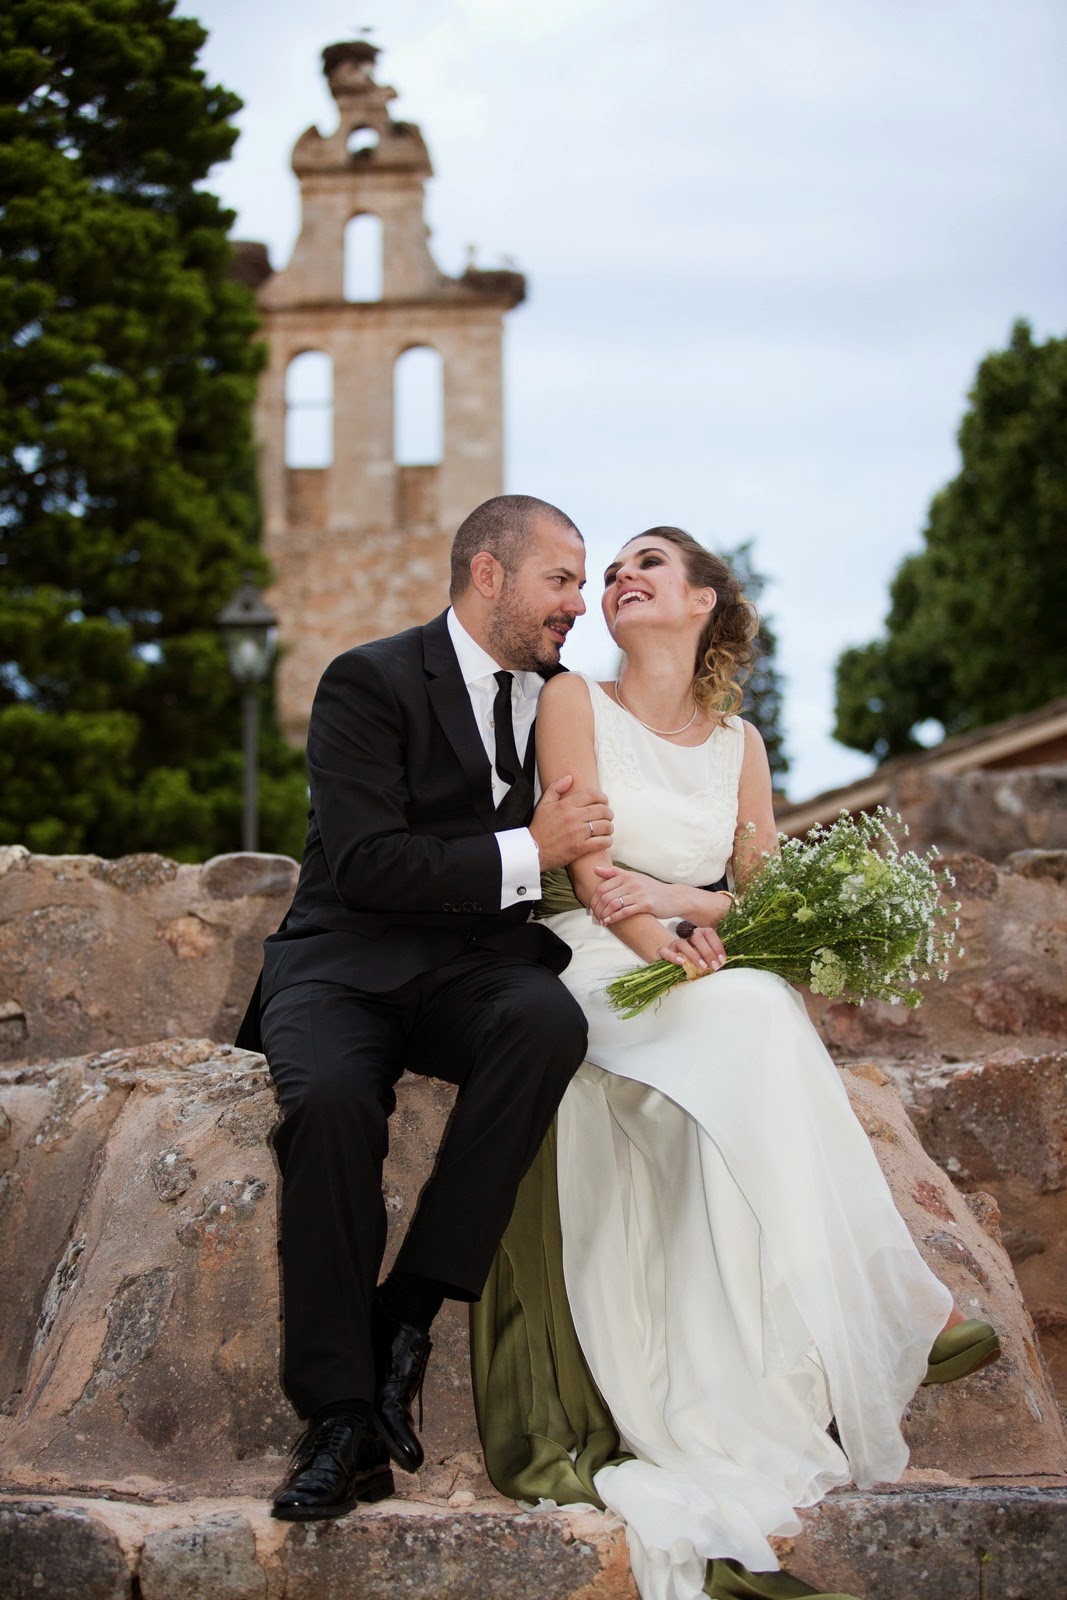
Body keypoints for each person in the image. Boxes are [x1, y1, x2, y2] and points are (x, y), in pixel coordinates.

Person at [470, 527, 1000, 1600]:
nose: (619, 578)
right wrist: (653, 931)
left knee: (756, 998)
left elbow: (757, 898)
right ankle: (906, 1302)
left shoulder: (739, 744)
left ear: (706, 601)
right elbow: (585, 861)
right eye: (609, 569)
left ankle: (829, 1343)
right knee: (757, 1010)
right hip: (582, 957)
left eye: (646, 563)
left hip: (680, 955)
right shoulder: (576, 700)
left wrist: (682, 912)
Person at [239, 494, 616, 1521]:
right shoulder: (367, 680)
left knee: (548, 1022)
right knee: (326, 1106)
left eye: (581, 584)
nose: (576, 604)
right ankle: (339, 1417)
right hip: (343, 962)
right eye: (561, 578)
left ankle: (407, 1312)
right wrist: (526, 850)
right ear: (488, 574)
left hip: (471, 970)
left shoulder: (566, 700)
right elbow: (364, 861)